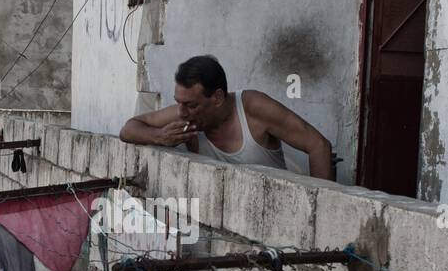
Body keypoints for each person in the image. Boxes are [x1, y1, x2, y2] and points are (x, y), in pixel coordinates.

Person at [118, 54, 334, 180]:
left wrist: (319, 212)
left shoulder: (252, 107)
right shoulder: (185, 116)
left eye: (191, 105)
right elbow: (128, 129)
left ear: (218, 97)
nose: (182, 112)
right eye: (179, 102)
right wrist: (160, 136)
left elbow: (319, 145)